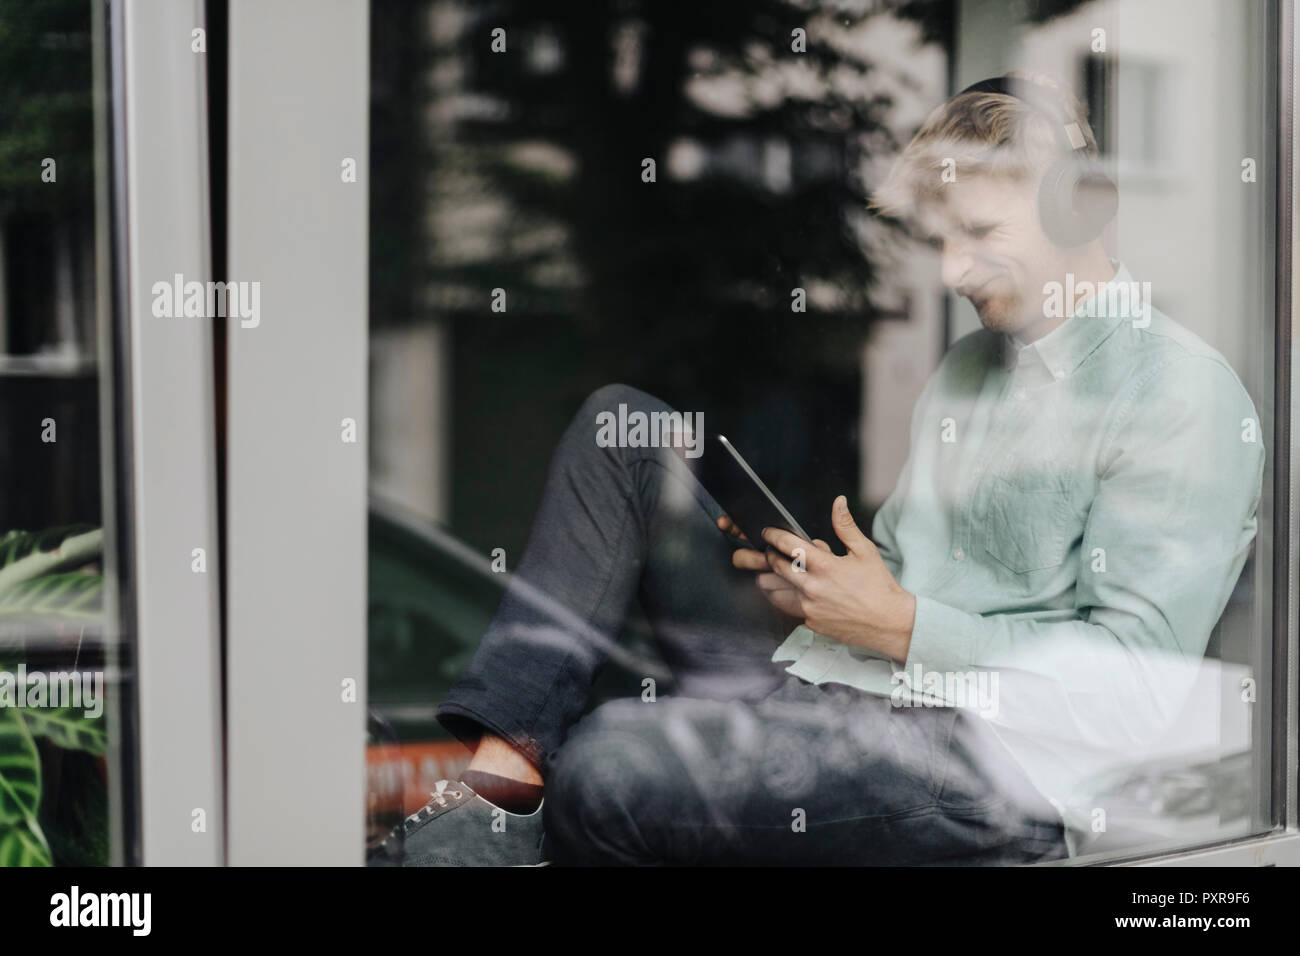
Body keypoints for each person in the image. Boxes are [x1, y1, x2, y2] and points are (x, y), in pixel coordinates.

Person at [368, 71, 1264, 866]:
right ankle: (500, 783)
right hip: (841, 688)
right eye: (941, 240)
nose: (952, 271)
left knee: (612, 763)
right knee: (622, 426)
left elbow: (1138, 694)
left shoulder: (1181, 393)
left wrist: (904, 627)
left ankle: (452, 849)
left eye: (981, 235)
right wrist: (822, 594)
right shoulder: (966, 371)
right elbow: (908, 582)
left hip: (999, 769)